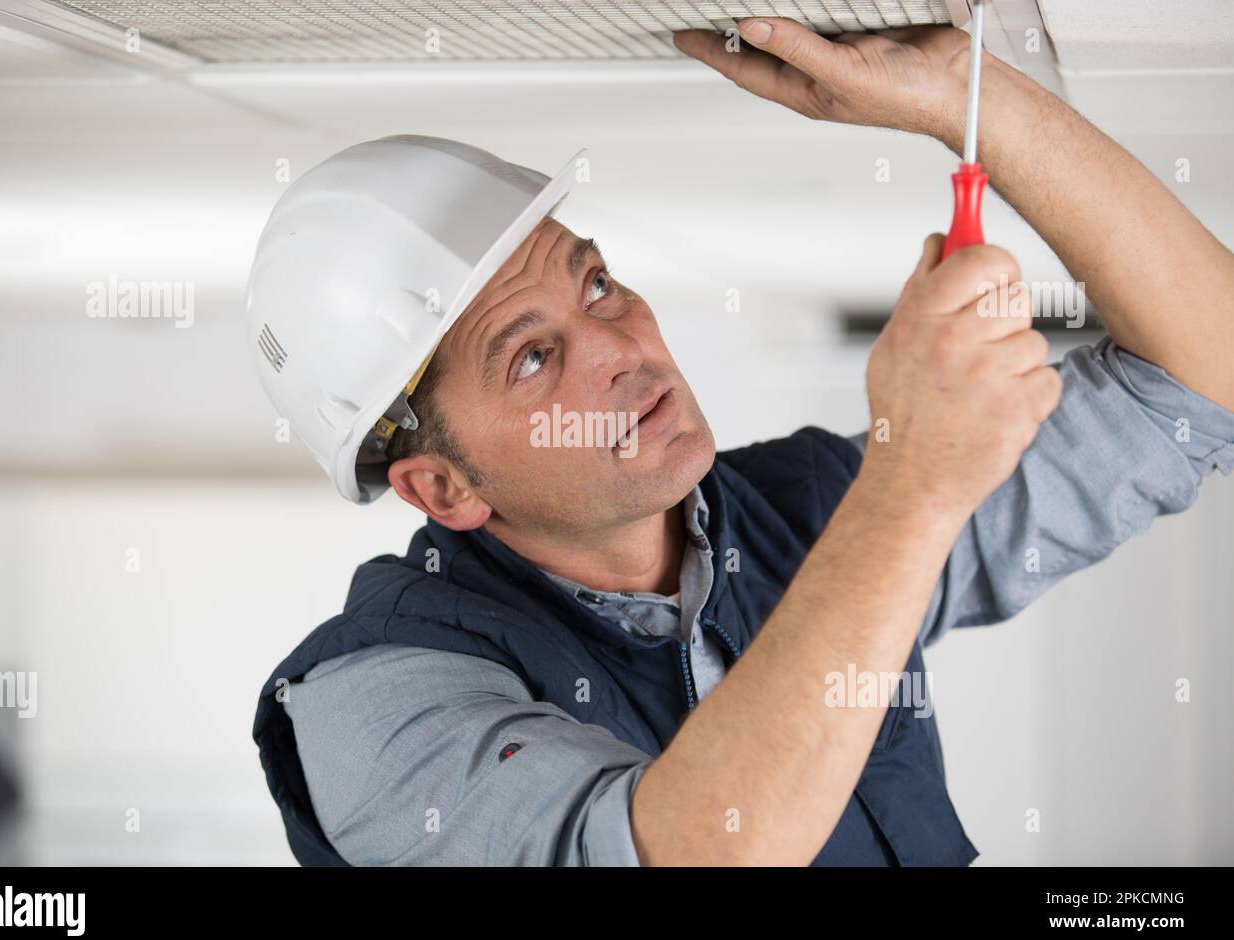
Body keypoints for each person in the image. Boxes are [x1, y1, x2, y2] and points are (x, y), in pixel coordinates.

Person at [250, 19, 1234, 866]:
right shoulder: (376, 709)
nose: (620, 346)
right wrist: (913, 485)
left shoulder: (806, 510)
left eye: (594, 283)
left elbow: (1207, 374)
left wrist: (970, 100)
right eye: (532, 357)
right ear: (444, 487)